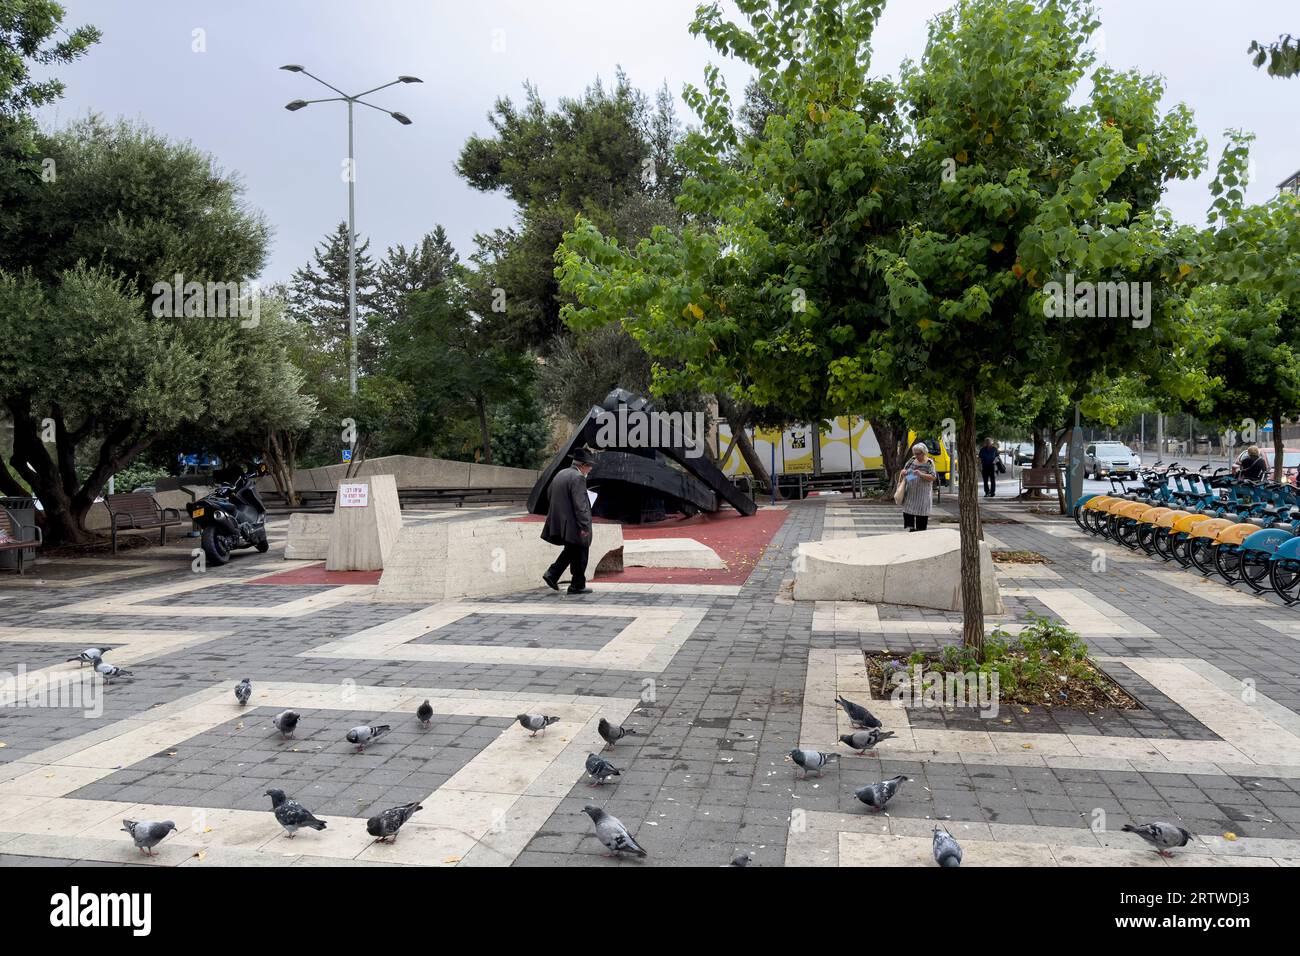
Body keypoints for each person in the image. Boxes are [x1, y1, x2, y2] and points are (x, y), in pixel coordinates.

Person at [541, 447, 597, 594]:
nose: (590, 469)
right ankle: (576, 585)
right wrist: (585, 526)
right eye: (589, 466)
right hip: (574, 524)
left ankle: (554, 574)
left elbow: (549, 494)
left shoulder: (561, 473)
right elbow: (580, 505)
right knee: (581, 551)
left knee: (572, 550)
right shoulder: (578, 478)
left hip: (560, 522)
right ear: (583, 465)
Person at [899, 442, 936, 531]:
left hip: (923, 495)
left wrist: (921, 474)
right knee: (908, 514)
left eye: (918, 454)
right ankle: (911, 532)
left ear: (924, 453)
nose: (916, 456)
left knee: (921, 521)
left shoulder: (929, 463)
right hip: (910, 494)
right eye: (915, 453)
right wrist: (903, 473)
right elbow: (908, 476)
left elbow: (933, 477)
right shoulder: (912, 460)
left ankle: (920, 534)